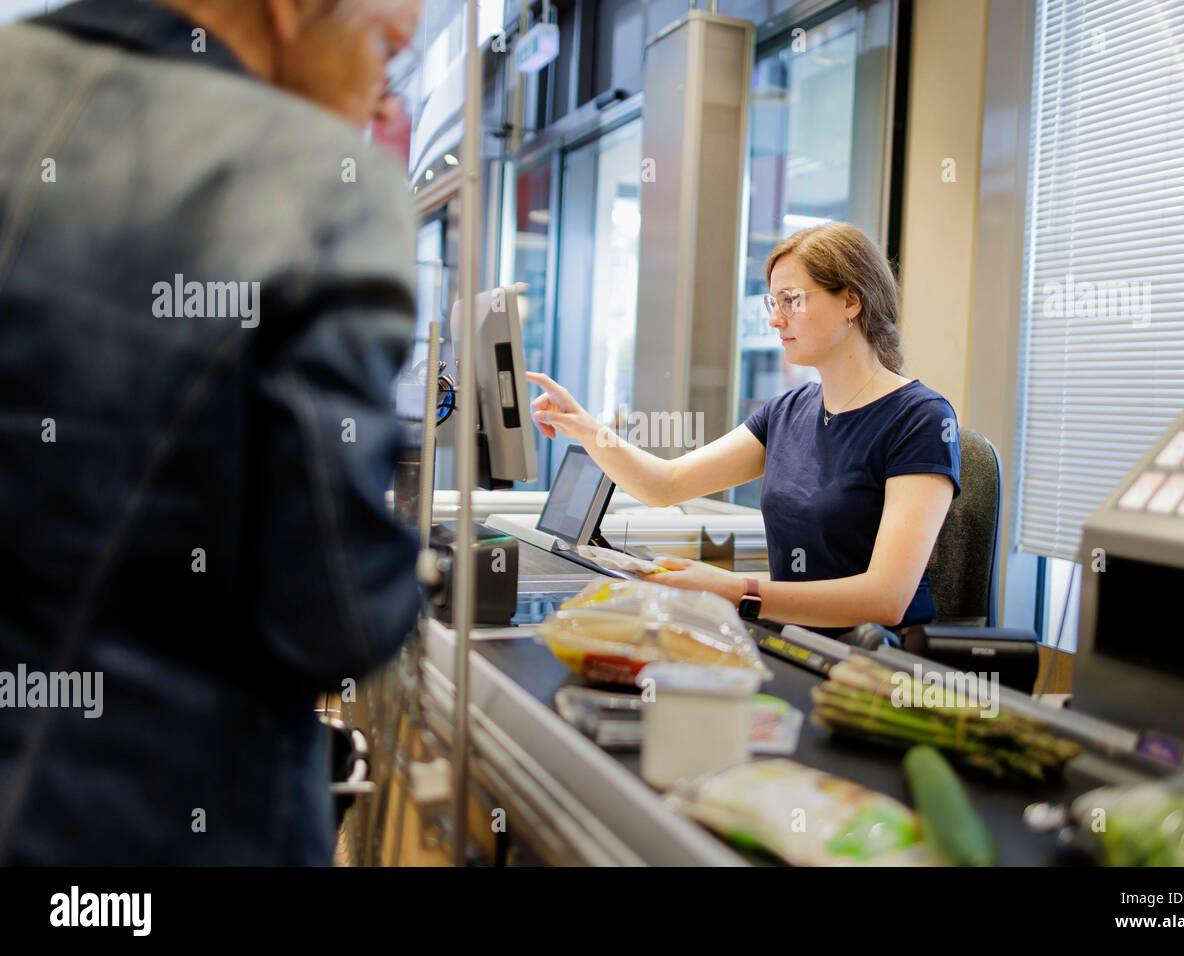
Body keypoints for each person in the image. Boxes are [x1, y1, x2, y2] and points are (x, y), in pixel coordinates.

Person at [0, 0, 422, 865]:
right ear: (295, 11)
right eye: (385, 46)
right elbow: (335, 614)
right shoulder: (310, 183)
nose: (384, 98)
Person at [527, 222, 961, 634]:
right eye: (774, 304)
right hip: (792, 641)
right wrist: (585, 427)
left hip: (875, 666)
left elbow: (885, 600)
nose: (776, 320)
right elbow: (666, 484)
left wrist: (736, 591)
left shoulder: (921, 419)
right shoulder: (787, 412)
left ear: (850, 300)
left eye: (792, 300)